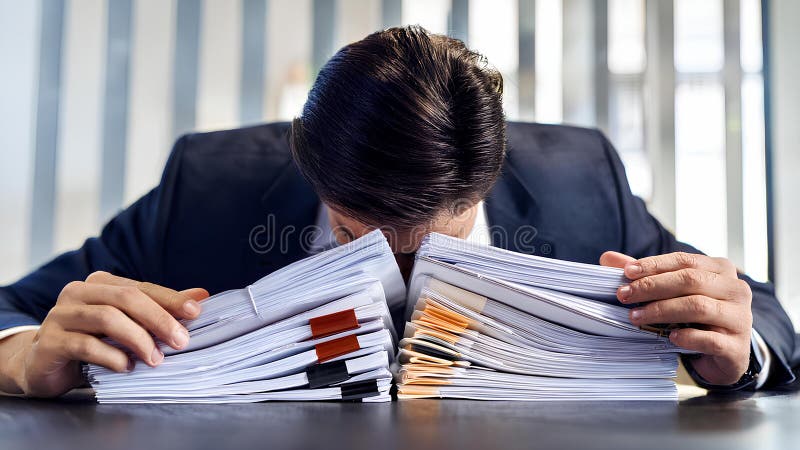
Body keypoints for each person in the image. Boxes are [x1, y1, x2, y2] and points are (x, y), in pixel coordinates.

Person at [0, 26, 796, 398]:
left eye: (437, 247)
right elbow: (17, 313)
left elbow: (760, 314)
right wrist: (25, 353)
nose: (399, 280)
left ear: (487, 180)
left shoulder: (581, 177)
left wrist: (738, 345)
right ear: (308, 171)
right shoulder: (206, 187)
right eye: (352, 237)